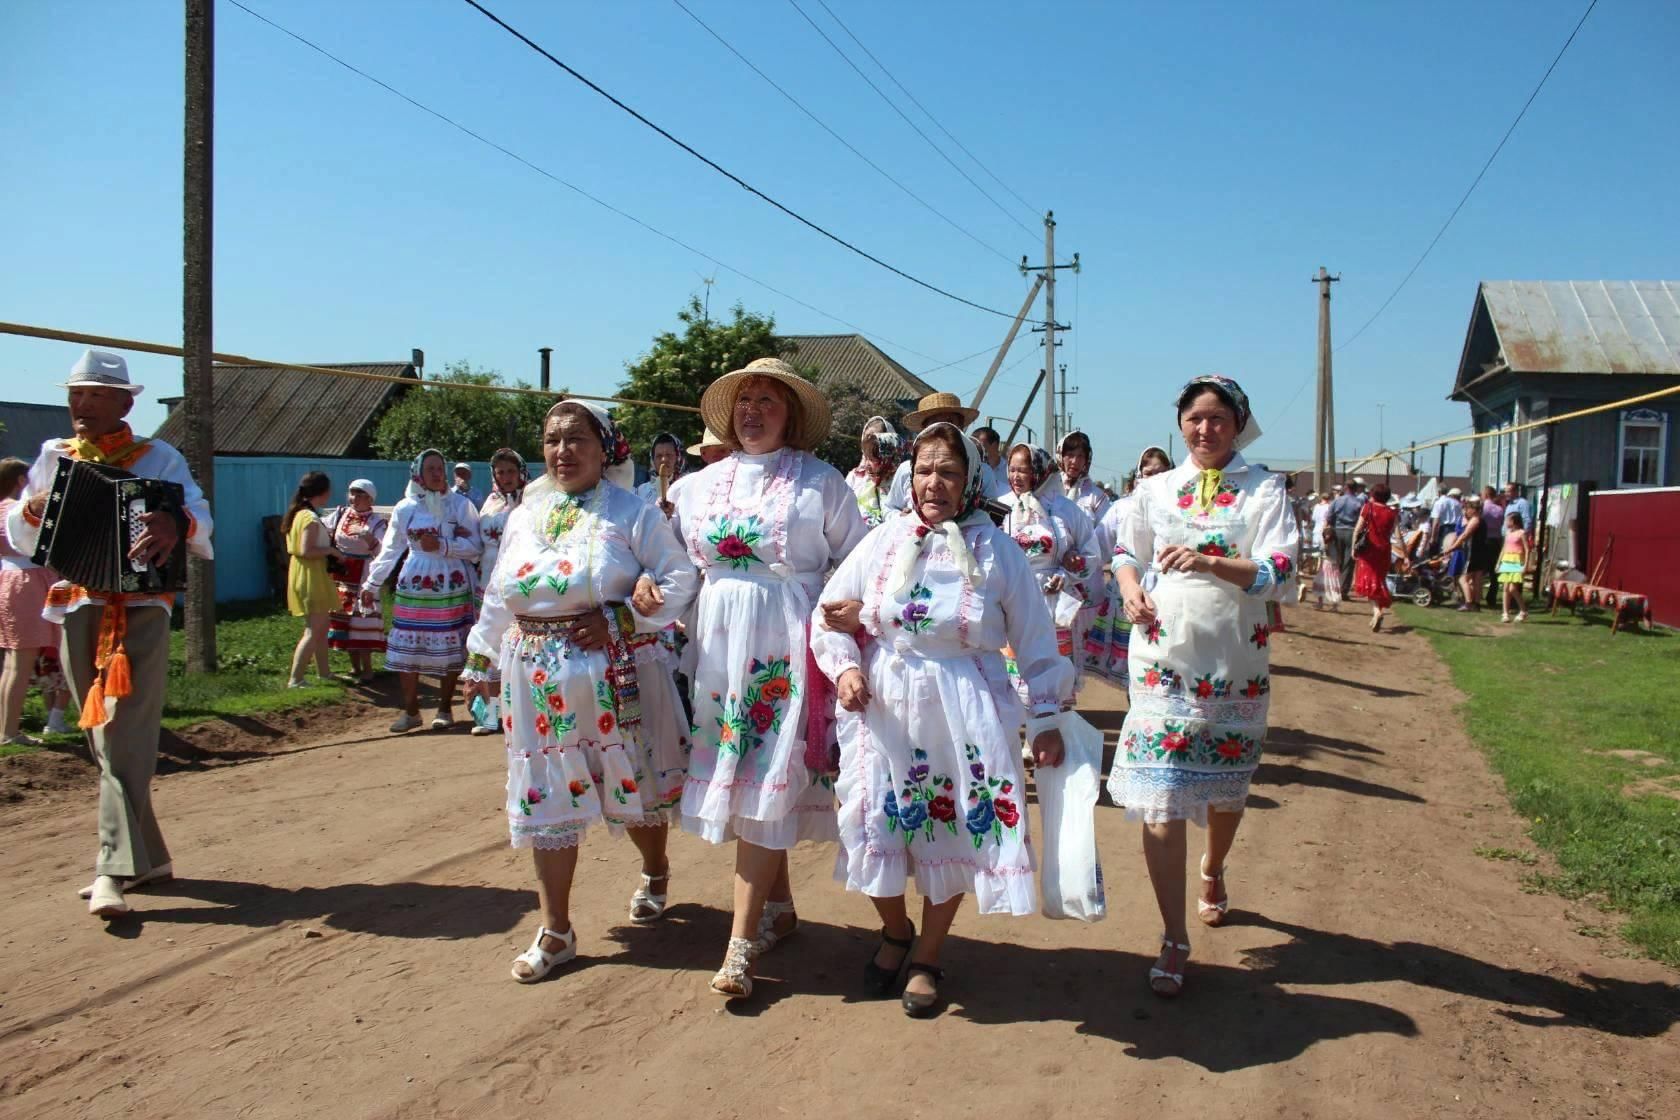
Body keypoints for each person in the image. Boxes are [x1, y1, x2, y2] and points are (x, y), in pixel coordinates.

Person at [812, 423, 1072, 1018]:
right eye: (925, 469)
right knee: (872, 822)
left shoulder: (996, 549)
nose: (935, 482)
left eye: (949, 471)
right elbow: (828, 614)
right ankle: (895, 929)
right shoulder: (882, 540)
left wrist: (1047, 717)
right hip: (885, 706)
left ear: (970, 482)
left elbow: (1035, 639)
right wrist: (847, 668)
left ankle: (928, 955)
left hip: (965, 706)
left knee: (950, 827)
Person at [462, 399, 698, 982]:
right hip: (535, 680)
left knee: (635, 788)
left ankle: (656, 868)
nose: (562, 451)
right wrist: (481, 658)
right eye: (551, 440)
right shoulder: (522, 514)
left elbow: (680, 577)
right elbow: (498, 593)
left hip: (613, 676)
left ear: (606, 447)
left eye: (576, 439)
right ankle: (557, 930)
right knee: (547, 798)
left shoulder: (632, 511)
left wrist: (624, 617)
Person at [669, 357, 867, 1000]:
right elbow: (674, 567)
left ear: (792, 416)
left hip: (786, 646)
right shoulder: (698, 487)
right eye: (744, 400)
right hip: (719, 651)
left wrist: (849, 616)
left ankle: (740, 942)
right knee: (751, 778)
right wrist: (650, 599)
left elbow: (859, 563)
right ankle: (778, 908)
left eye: (768, 401)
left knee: (761, 778)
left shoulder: (821, 484)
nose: (752, 410)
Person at [8, 349, 213, 919]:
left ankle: (110, 868)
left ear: (127, 402)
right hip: (76, 601)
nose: (84, 404)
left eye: (98, 394)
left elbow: (200, 519)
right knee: (103, 732)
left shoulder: (159, 457)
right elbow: (27, 538)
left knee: (124, 730)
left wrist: (175, 521)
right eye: (77, 393)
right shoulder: (55, 456)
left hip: (142, 604)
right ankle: (148, 856)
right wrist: (33, 509)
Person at [1109, 374, 1297, 997]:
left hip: (1234, 657)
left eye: (1218, 418)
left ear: (1238, 423)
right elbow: (1124, 551)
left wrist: (1212, 562)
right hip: (1162, 658)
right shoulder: (1156, 489)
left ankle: (1213, 866)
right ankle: (1172, 935)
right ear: (1180, 422)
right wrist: (1132, 591)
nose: (1205, 429)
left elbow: (1281, 569)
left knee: (1223, 788)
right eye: (1194, 418)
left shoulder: (1265, 488)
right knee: (1161, 791)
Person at [361, 450, 482, 732]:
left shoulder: (460, 505)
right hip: (415, 582)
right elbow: (391, 548)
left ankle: (444, 709)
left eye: (440, 468)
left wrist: (443, 546)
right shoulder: (406, 508)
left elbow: (476, 548)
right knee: (407, 643)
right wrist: (371, 584)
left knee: (450, 643)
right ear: (418, 473)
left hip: (451, 583)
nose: (437, 473)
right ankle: (411, 709)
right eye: (430, 469)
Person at [1003, 442, 1101, 688]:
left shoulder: (1064, 509)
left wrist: (1067, 572)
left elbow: (1090, 552)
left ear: (1039, 471)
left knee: (1053, 672)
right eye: (1012, 470)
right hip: (1014, 598)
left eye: (1023, 470)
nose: (1016, 476)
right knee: (1015, 675)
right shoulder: (1000, 507)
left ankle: (1055, 718)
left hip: (1052, 598)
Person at [1, 458, 70, 743]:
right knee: (21, 662)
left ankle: (6, 729)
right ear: (20, 481)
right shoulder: (18, 510)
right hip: (29, 583)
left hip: (8, 581)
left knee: (11, 663)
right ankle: (9, 732)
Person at [1090, 446, 1173, 684]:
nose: (1155, 478)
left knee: (1159, 656)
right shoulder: (1122, 508)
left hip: (1164, 591)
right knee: (1132, 657)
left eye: (1161, 472)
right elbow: (1100, 546)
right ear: (1139, 475)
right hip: (1129, 591)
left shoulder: (1179, 508)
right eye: (1149, 473)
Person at [469, 449, 528, 736]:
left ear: (520, 472)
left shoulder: (531, 501)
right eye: (500, 472)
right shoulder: (489, 504)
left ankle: (519, 715)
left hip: (518, 581)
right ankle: (492, 716)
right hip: (488, 581)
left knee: (518, 647)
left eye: (510, 472)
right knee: (491, 646)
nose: (505, 478)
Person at [1058, 430, 1112, 683]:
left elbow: (1108, 536)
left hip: (1086, 578)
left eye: (1080, 456)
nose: (1074, 461)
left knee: (1080, 637)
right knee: (1057, 634)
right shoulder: (1050, 489)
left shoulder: (1096, 497)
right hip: (1056, 577)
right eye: (1070, 455)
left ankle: (1073, 690)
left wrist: (1084, 557)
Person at [323, 479, 388, 683]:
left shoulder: (376, 522)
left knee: (361, 620)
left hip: (363, 576)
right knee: (344, 620)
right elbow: (322, 528)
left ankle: (368, 670)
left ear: (370, 499)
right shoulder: (341, 514)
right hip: (341, 574)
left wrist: (370, 539)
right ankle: (355, 667)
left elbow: (383, 551)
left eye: (360, 495)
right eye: (352, 494)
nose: (354, 499)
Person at [284, 471, 341, 687]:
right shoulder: (308, 517)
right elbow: (307, 550)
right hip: (310, 574)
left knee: (321, 625)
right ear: (324, 492)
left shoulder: (298, 513)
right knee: (315, 628)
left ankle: (324, 672)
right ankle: (296, 678)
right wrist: (332, 552)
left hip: (306, 572)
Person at [883, 392, 984, 513]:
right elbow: (890, 507)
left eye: (949, 472)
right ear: (924, 429)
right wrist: (902, 518)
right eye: (923, 472)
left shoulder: (979, 471)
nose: (942, 427)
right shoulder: (906, 469)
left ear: (960, 426)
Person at [1352, 482, 1399, 631]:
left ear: (1373, 495)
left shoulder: (1368, 508)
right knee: (1378, 580)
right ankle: (1377, 612)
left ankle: (1377, 611)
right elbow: (1398, 535)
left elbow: (1358, 529)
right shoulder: (1392, 512)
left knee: (1368, 582)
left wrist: (1354, 547)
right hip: (1384, 550)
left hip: (1369, 550)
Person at [846, 416, 902, 528]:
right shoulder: (854, 477)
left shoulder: (902, 478)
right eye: (867, 438)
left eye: (876, 438)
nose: (871, 441)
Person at [1326, 479, 1365, 600]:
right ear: (1356, 488)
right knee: (1349, 562)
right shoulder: (1359, 502)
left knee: (1338, 560)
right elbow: (1362, 519)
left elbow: (1329, 516)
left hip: (1337, 531)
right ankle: (1343, 590)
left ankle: (1335, 587)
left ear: (1345, 488)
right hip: (1352, 532)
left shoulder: (1337, 500)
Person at [1452, 495, 1489, 612]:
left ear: (1473, 509)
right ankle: (1477, 604)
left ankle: (1468, 603)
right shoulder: (1482, 520)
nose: (1466, 511)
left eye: (1468, 509)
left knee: (1463, 579)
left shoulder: (1475, 520)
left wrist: (1452, 547)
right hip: (1481, 551)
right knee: (1477, 579)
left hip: (1473, 552)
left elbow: (1464, 535)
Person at [634, 433, 686, 510]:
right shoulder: (643, 490)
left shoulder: (687, 485)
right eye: (659, 456)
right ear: (653, 460)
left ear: (678, 457)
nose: (664, 459)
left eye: (669, 455)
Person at [1496, 512, 1529, 623]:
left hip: (1516, 561)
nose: (1506, 522)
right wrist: (1498, 563)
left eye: (1508, 520)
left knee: (1513, 588)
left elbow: (1527, 549)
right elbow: (1504, 548)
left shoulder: (1521, 533)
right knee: (1505, 588)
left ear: (1514, 521)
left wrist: (1525, 565)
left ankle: (1523, 610)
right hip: (1506, 561)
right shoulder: (1508, 533)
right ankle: (1505, 613)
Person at [1479, 486, 1506, 608]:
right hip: (1496, 540)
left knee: (1479, 569)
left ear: (1485, 495)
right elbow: (1501, 524)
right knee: (1494, 571)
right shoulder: (1499, 510)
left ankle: (1476, 595)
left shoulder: (1482, 508)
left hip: (1484, 539)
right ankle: (1492, 596)